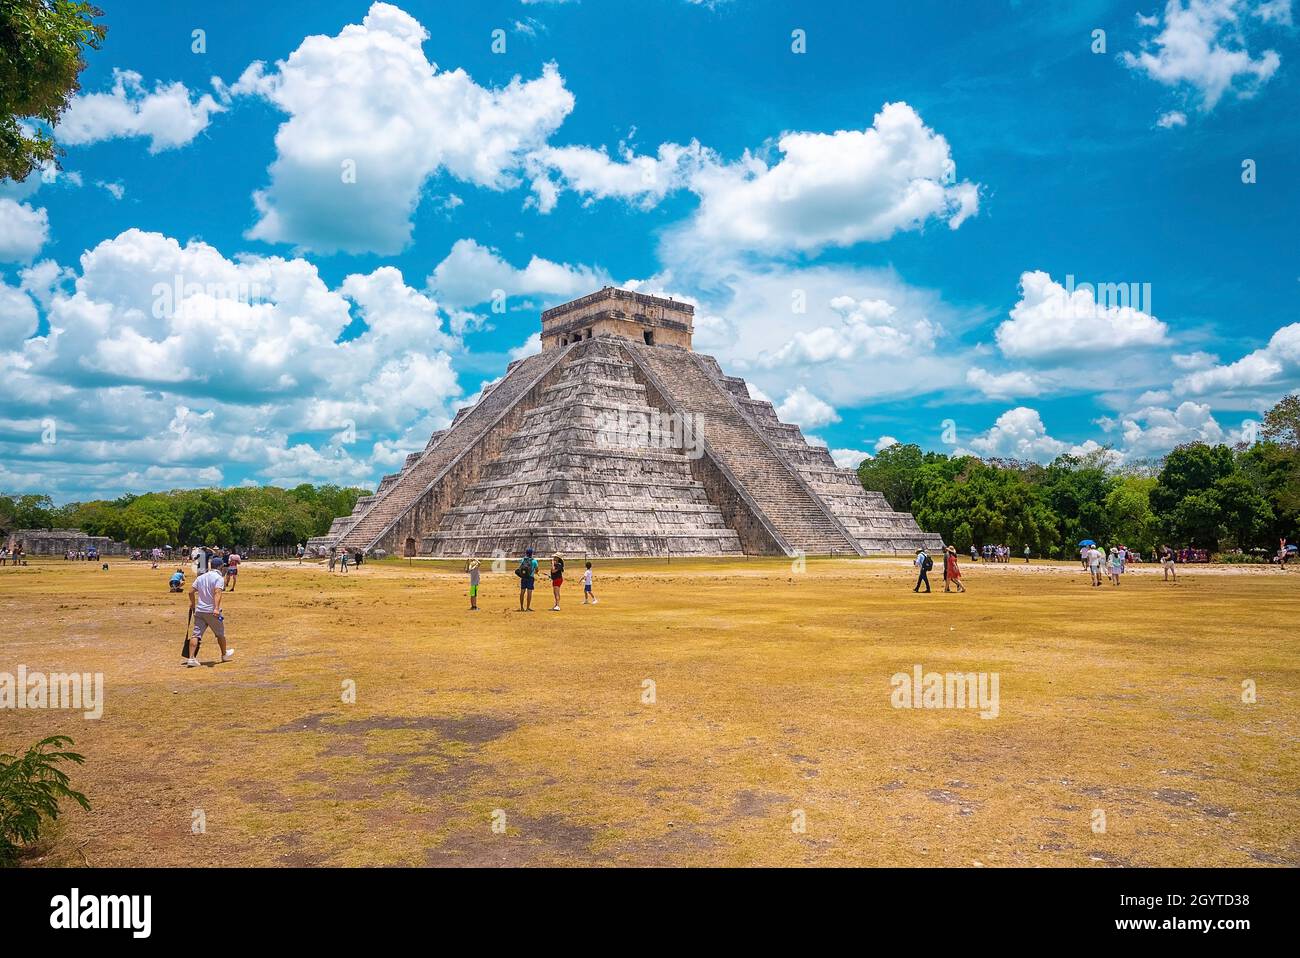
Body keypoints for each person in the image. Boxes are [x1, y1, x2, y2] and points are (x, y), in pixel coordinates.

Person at [186, 556, 233, 667]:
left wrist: (193, 604)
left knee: (196, 635)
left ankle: (191, 658)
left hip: (200, 610)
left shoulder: (201, 577)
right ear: (221, 567)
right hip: (211, 611)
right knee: (220, 634)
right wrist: (216, 608)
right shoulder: (218, 578)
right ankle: (224, 655)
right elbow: (217, 592)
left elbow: (190, 592)